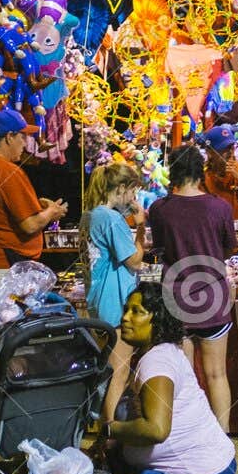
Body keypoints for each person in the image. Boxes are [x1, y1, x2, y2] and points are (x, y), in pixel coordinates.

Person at [85, 284, 236, 474]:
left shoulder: (157, 363)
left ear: (158, 319)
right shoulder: (162, 351)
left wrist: (110, 430)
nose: (126, 317)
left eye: (137, 312)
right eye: (126, 310)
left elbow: (156, 430)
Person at [148, 146, 238, 430]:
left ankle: (184, 433)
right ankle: (221, 436)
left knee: (182, 375)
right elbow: (229, 247)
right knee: (216, 374)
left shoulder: (159, 209)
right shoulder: (220, 207)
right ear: (200, 172)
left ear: (172, 172)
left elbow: (159, 250)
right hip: (213, 298)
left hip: (176, 300)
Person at [0, 107, 67, 317]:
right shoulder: (7, 171)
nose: (26, 144)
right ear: (9, 137)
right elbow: (30, 225)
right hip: (4, 273)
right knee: (11, 343)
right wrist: (52, 212)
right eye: (24, 136)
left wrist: (35, 204)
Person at [86, 162, 145, 421]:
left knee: (109, 368)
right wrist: (140, 227)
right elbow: (133, 260)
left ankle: (106, 428)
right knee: (119, 371)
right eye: (133, 192)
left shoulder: (91, 214)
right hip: (115, 302)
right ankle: (109, 432)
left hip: (99, 299)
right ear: (121, 188)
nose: (134, 199)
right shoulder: (111, 218)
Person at [199, 125, 238, 220]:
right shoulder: (203, 179)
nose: (230, 152)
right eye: (224, 149)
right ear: (209, 152)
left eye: (231, 147)